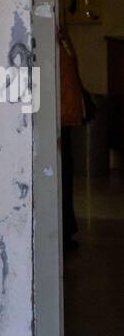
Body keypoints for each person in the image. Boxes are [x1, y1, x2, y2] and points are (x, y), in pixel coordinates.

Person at [59, 26, 91, 253]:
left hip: (64, 119)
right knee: (62, 176)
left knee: (65, 176)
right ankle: (63, 232)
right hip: (59, 120)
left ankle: (66, 231)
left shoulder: (61, 40)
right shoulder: (57, 43)